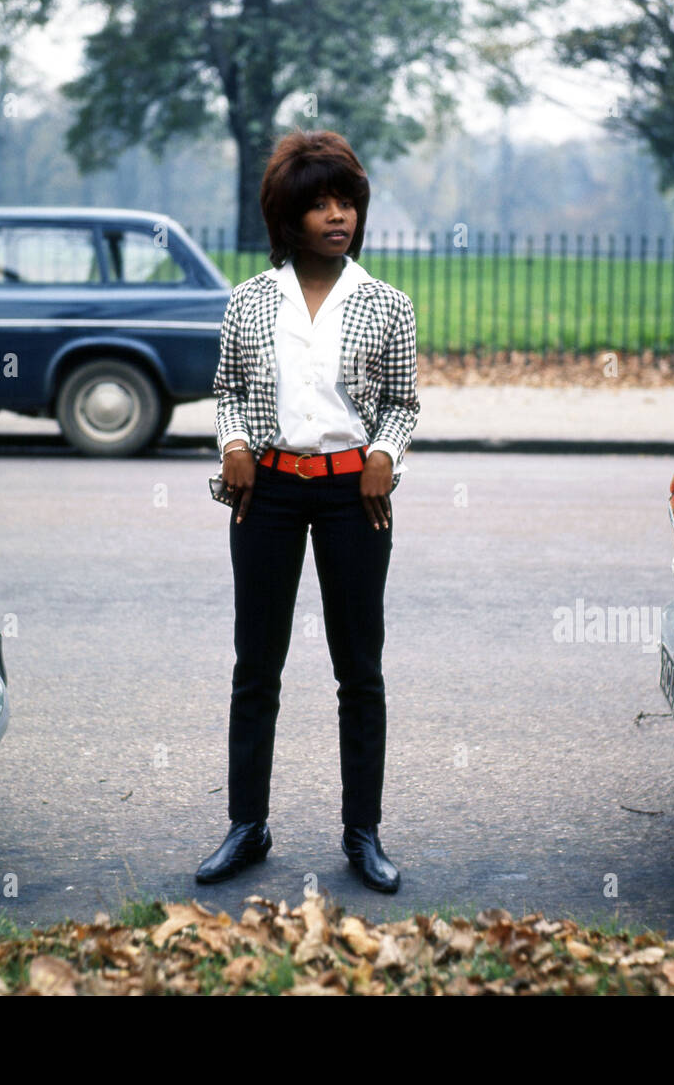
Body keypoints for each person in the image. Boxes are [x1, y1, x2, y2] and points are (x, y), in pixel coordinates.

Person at [197, 128, 420, 893]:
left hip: (355, 495)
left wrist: (383, 457)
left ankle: (363, 834)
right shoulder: (250, 301)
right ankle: (246, 827)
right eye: (319, 205)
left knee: (360, 669)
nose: (337, 217)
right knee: (255, 666)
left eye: (346, 202)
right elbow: (227, 388)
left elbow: (401, 403)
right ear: (288, 220)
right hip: (267, 493)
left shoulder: (387, 305)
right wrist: (232, 442)